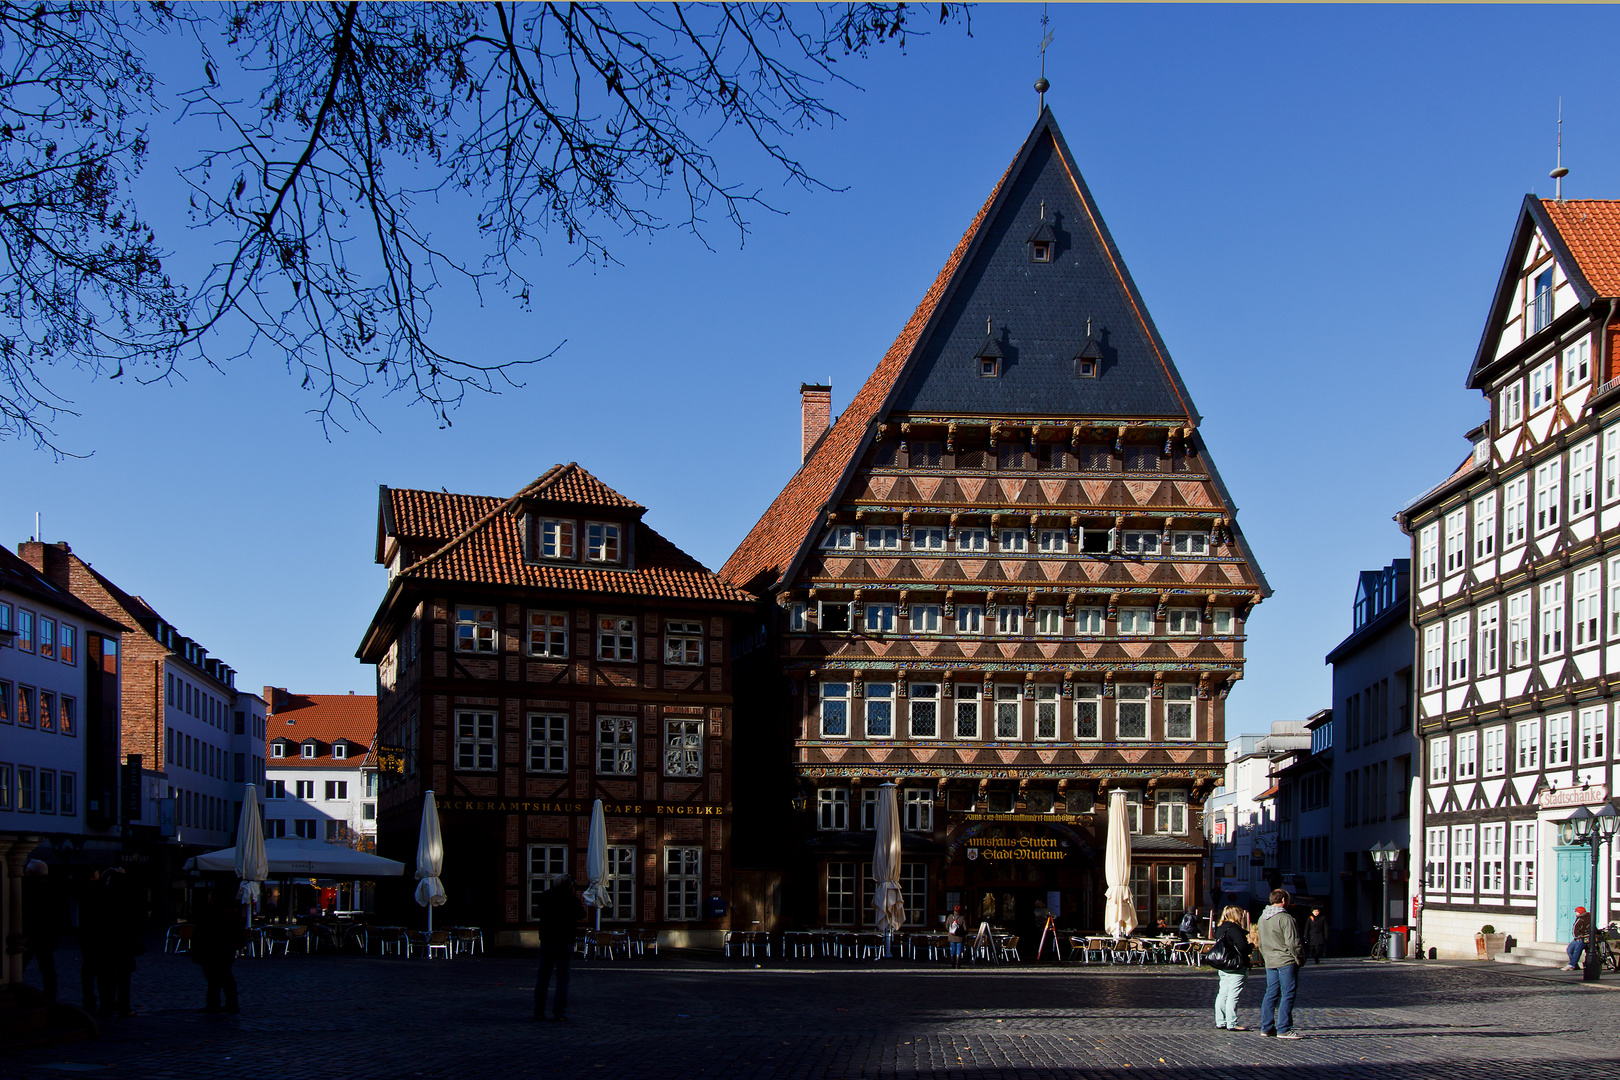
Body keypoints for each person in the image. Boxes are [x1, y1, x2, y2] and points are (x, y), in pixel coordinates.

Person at [534, 875, 586, 1021]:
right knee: (562, 979)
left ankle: (538, 1011)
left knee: (543, 978)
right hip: (565, 942)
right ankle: (559, 1012)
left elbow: (539, 900)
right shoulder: (572, 900)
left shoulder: (546, 897)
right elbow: (582, 914)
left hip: (548, 941)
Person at [190, 884, 247, 1013]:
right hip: (221, 950)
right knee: (220, 977)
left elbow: (202, 931)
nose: (209, 897)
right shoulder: (227, 912)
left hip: (215, 950)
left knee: (217, 978)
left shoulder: (214, 912)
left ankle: (218, 1003)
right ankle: (224, 1003)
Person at [1257, 888, 1303, 1039]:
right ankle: (1284, 1028)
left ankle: (1267, 1026)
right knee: (1288, 993)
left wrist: (1266, 957)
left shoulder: (1263, 918)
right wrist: (1300, 958)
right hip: (1285, 960)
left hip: (1270, 960)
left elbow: (1261, 942)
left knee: (1271, 993)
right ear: (1284, 900)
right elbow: (1293, 942)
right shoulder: (1286, 918)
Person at [21, 860, 58, 1003]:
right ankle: (51, 994)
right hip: (45, 935)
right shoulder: (50, 888)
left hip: (30, 934)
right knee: (47, 967)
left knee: (20, 964)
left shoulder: (26, 886)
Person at [1211, 905, 1252, 1031]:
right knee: (1233, 995)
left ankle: (1220, 1020)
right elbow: (1242, 947)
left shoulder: (1220, 928)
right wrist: (1250, 946)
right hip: (1236, 966)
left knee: (1223, 992)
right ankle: (1232, 1022)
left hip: (1223, 966)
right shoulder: (1235, 929)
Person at [1567, 906, 1592, 971]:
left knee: (1577, 951)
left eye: (1577, 912)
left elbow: (1586, 927)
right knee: (1569, 950)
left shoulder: (1585, 918)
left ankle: (1572, 965)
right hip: (1576, 938)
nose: (1576, 913)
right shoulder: (1579, 918)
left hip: (1581, 938)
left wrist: (1581, 935)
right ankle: (1574, 964)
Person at [945, 905, 968, 969]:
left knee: (952, 950)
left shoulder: (950, 917)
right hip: (960, 937)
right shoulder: (963, 918)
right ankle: (958, 965)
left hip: (951, 937)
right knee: (959, 951)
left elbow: (946, 927)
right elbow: (965, 929)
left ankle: (952, 964)